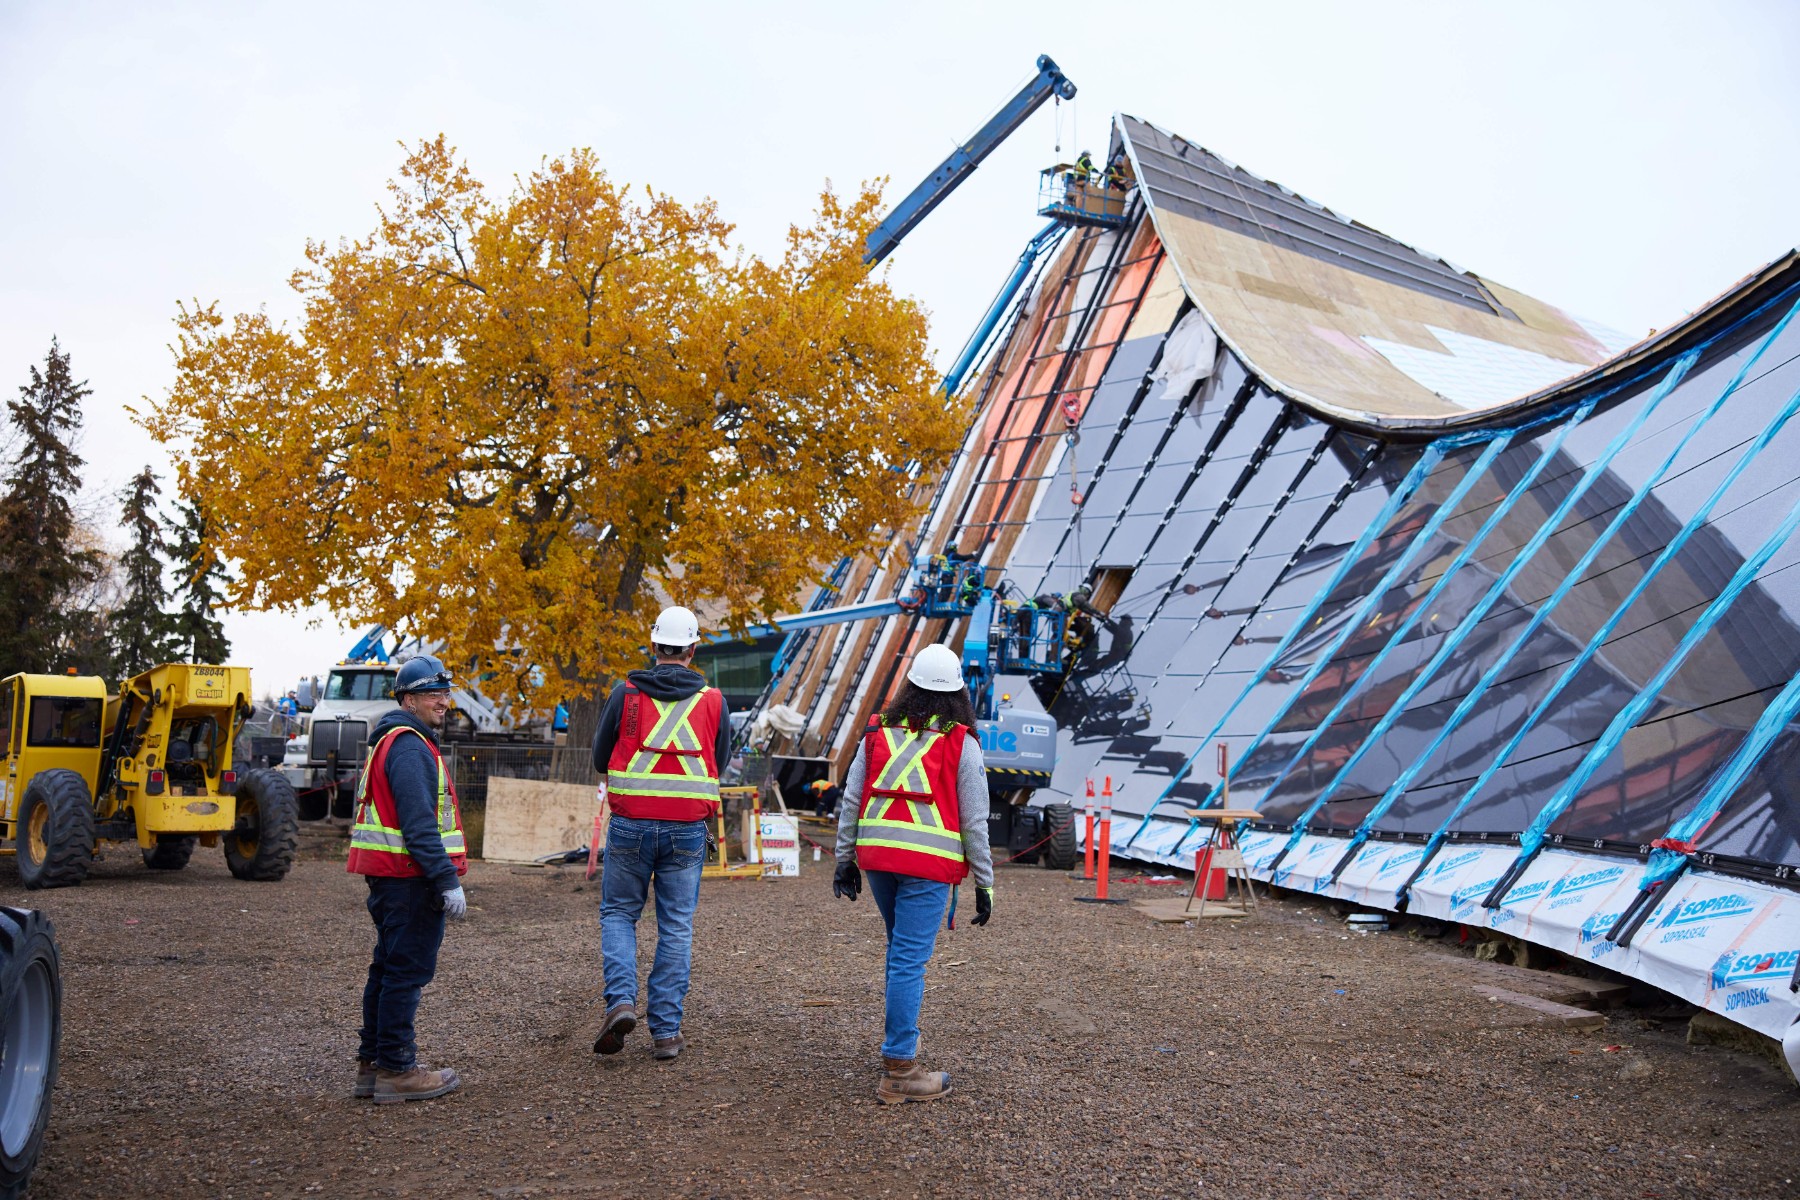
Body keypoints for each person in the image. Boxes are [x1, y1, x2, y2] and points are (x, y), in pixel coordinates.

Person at [832, 643, 994, 1104]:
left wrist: (845, 858)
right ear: (959, 692)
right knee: (908, 960)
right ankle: (899, 1067)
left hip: (880, 859)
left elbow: (851, 799)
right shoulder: (961, 743)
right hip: (927, 868)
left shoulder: (878, 734)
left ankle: (899, 1042)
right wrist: (985, 882)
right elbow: (974, 820)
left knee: (898, 952)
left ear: (910, 688)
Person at [591, 605, 732, 1062]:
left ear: (654, 646)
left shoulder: (625, 694)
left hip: (631, 824)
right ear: (693, 649)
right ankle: (666, 1034)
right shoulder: (713, 701)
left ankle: (621, 1003)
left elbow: (599, 757)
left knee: (618, 914)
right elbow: (720, 760)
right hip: (687, 830)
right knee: (676, 926)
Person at [346, 653, 469, 1104]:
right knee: (405, 973)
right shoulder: (410, 746)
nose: (444, 701)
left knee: (386, 969)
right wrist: (445, 880)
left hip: (393, 879)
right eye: (434, 694)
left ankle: (373, 1064)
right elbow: (419, 825)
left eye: (445, 693)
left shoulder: (391, 742)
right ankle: (398, 1070)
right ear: (409, 699)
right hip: (410, 879)